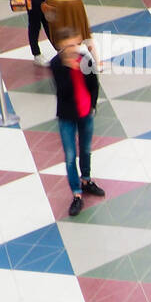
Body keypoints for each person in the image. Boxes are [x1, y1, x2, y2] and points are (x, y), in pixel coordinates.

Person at [48, 28, 105, 217]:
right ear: (61, 46)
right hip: (67, 116)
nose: (73, 49)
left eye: (75, 44)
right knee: (71, 156)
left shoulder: (85, 60)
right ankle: (77, 194)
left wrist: (93, 106)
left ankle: (86, 180)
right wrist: (69, 68)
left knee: (86, 149)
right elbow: (62, 91)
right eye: (69, 46)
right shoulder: (56, 64)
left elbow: (94, 85)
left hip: (86, 113)